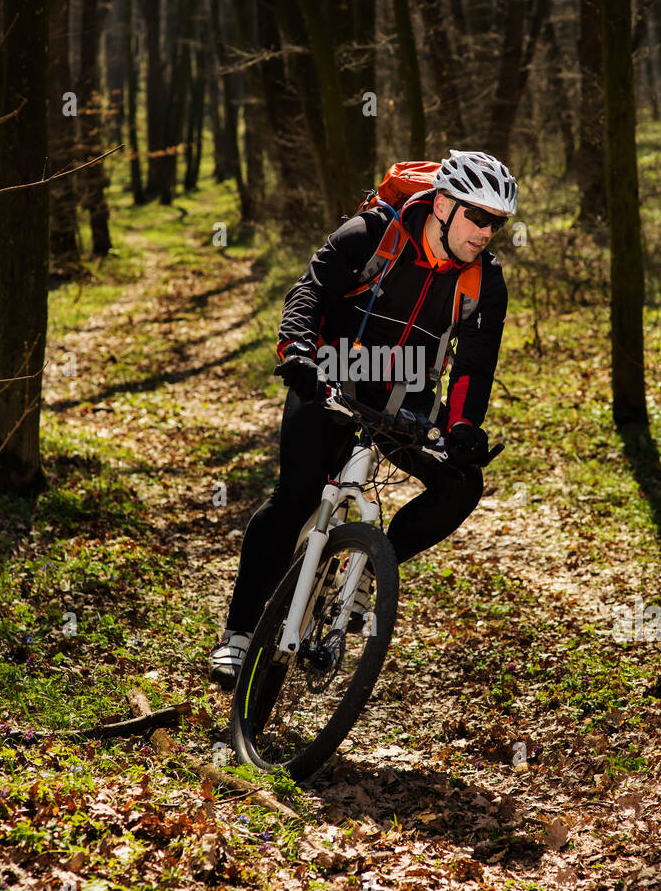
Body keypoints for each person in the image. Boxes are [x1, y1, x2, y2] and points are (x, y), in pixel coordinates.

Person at [211, 149, 518, 691]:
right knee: (297, 496)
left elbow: (474, 362)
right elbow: (309, 290)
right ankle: (237, 635)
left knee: (461, 484)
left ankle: (372, 569)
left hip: (407, 392)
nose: (487, 231)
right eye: (478, 215)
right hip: (331, 372)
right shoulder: (372, 233)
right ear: (443, 205)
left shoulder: (484, 282)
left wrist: (465, 428)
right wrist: (299, 353)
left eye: (497, 221)